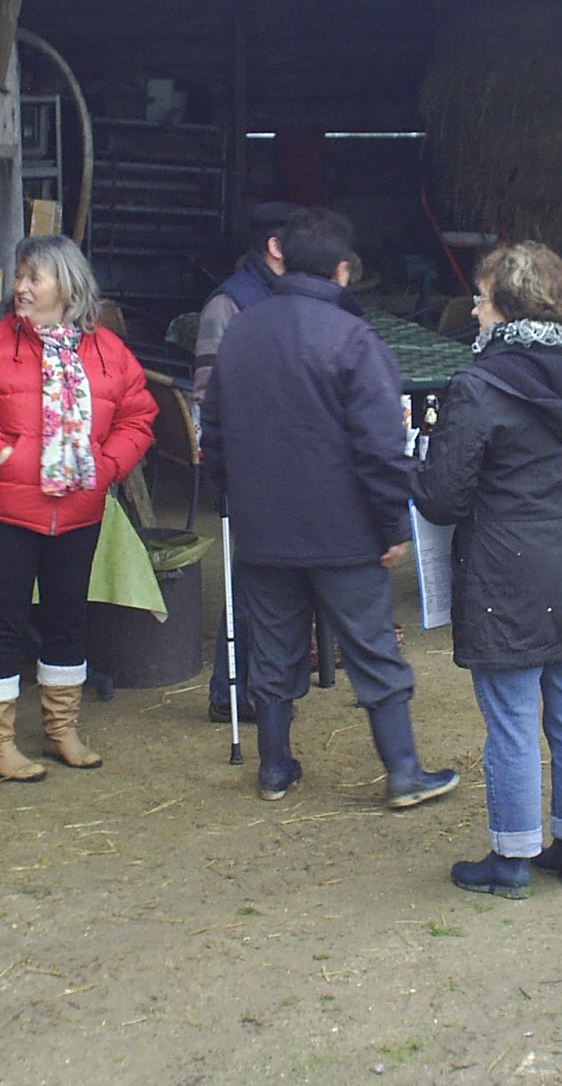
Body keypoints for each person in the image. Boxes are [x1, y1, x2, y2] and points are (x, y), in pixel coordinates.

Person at [200, 206, 458, 809]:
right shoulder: (354, 339)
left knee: (272, 646)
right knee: (372, 648)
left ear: (281, 260)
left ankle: (274, 768)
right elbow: (380, 446)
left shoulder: (240, 331)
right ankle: (402, 772)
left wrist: (234, 495)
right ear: (343, 272)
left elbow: (213, 431)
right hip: (344, 531)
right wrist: (393, 523)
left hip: (263, 526)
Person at [413, 242, 562, 900]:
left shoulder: (479, 384)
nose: (473, 312)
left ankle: (510, 860)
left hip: (507, 570)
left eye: (479, 299)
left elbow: (444, 496)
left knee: (510, 720)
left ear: (507, 308)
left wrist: (413, 466)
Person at [0, 234, 157, 781]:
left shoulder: (107, 351)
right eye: (20, 277)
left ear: (68, 286)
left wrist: (106, 468)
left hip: (78, 512)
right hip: (5, 511)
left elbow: (138, 416)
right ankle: (0, 745)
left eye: (34, 278)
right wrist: (0, 452)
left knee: (68, 622)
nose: (21, 288)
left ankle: (61, 731)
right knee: (3, 625)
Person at [194, 201, 300, 725]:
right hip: (255, 465)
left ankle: (265, 686)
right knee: (251, 581)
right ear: (275, 246)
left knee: (277, 580)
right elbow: (208, 395)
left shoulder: (292, 294)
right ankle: (230, 692)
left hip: (289, 461)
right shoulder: (228, 304)